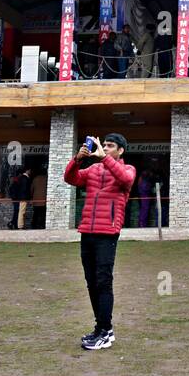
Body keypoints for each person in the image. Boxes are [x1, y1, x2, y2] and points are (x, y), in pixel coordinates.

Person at [64, 134, 136, 351]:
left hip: (108, 233)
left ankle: (105, 331)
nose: (104, 147)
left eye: (110, 146)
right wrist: (77, 159)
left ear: (120, 150)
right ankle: (102, 328)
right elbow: (71, 178)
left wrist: (105, 158)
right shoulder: (94, 170)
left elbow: (125, 179)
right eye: (103, 144)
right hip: (87, 231)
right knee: (91, 282)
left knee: (103, 281)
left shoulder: (128, 169)